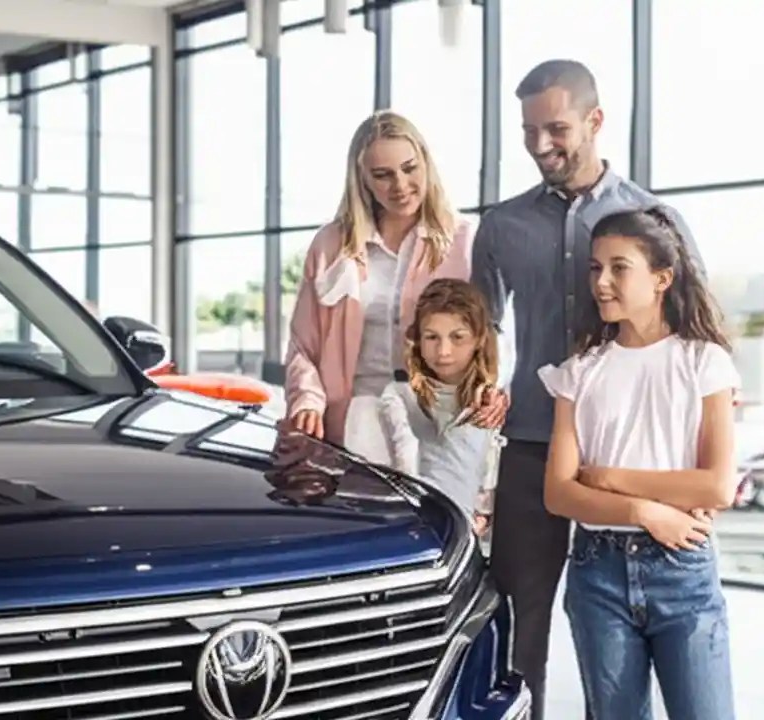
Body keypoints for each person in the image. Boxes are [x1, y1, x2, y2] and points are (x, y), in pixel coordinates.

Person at [469, 59, 704, 715]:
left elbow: (699, 341)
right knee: (518, 623)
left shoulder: (654, 219)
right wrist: (479, 383)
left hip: (636, 461)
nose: (541, 145)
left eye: (557, 128)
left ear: (595, 120)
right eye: (528, 131)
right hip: (534, 447)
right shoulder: (501, 226)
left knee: (626, 631)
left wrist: (704, 456)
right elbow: (478, 328)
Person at [541, 207, 738, 720]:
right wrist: (646, 512)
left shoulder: (704, 363)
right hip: (596, 572)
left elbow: (717, 486)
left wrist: (609, 479)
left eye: (618, 267)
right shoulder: (578, 373)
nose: (601, 282)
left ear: (661, 279)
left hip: (683, 569)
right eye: (594, 268)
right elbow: (559, 493)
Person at [284, 110, 484, 459]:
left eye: (410, 168)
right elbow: (303, 345)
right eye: (383, 175)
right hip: (350, 426)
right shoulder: (331, 245)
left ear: (426, 163)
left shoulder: (464, 242)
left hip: (437, 428)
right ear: (362, 180)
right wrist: (307, 401)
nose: (400, 186)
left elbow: (488, 338)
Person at [377, 278, 505, 529]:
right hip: (415, 530)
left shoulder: (493, 404)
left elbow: (492, 482)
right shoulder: (399, 397)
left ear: (479, 339)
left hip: (472, 543)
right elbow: (404, 463)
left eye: (457, 337)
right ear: (417, 340)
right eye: (432, 337)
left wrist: (484, 517)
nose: (443, 351)